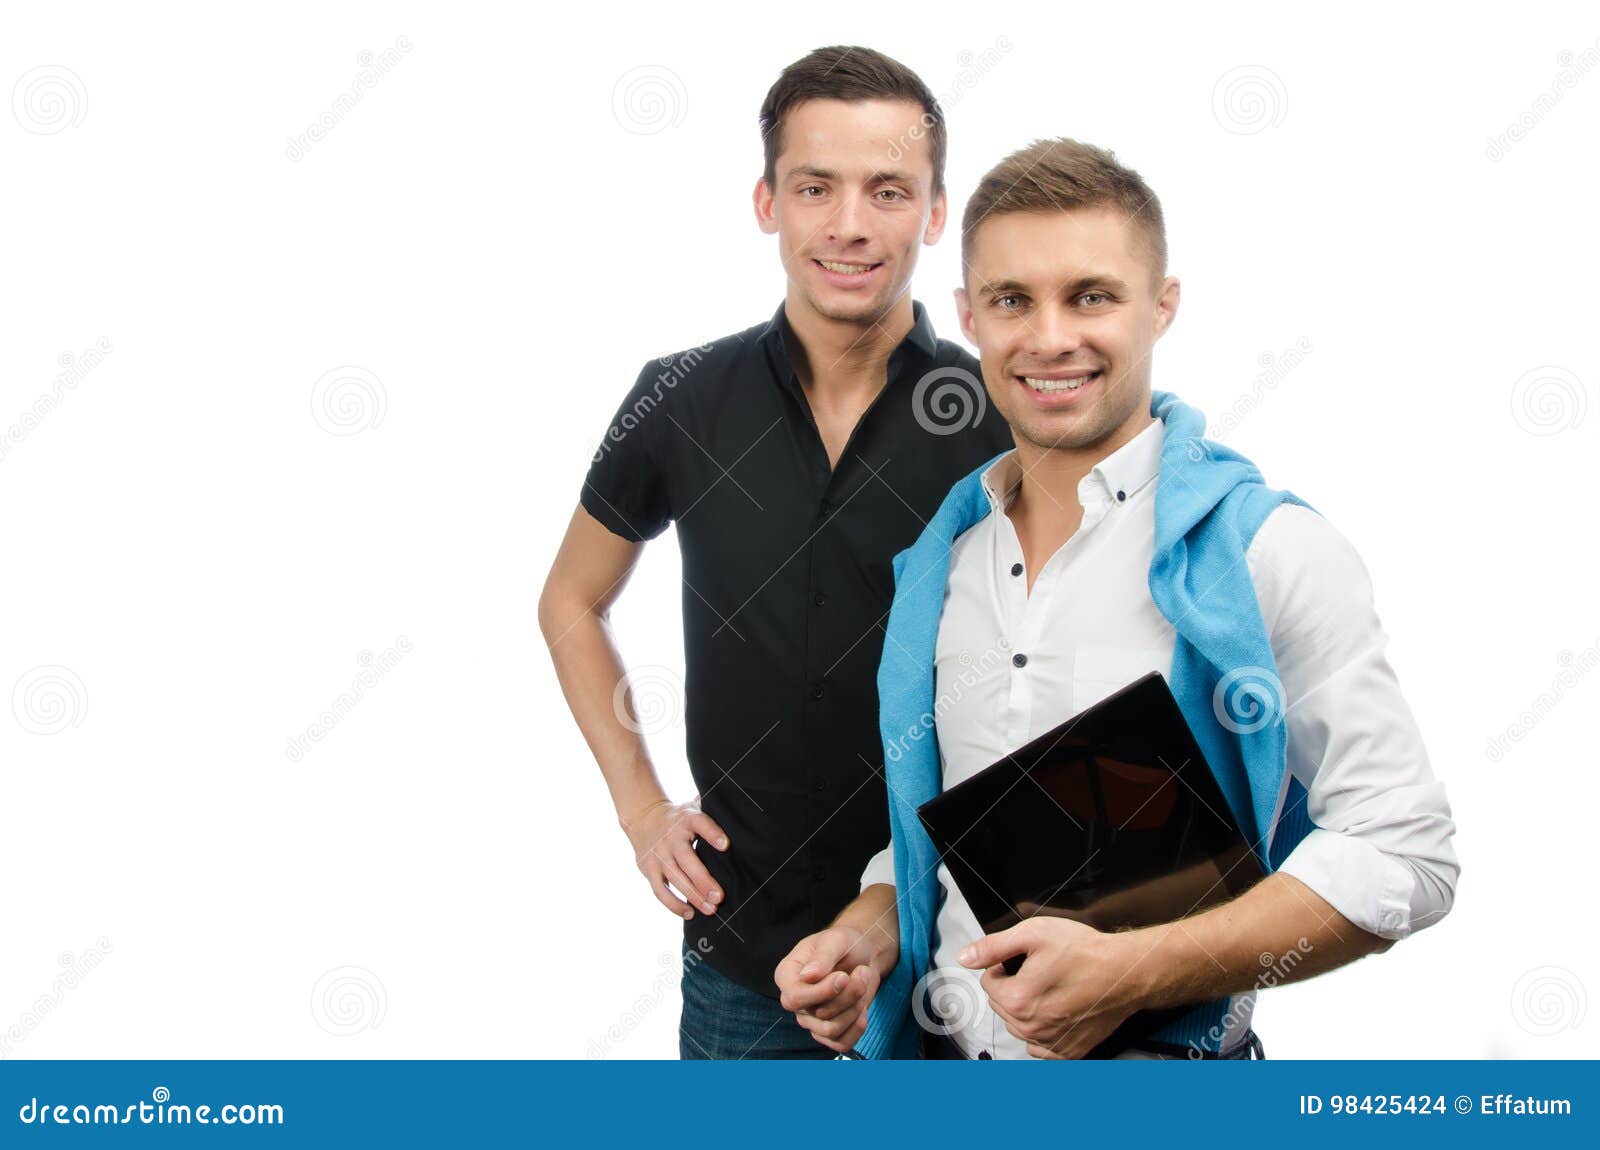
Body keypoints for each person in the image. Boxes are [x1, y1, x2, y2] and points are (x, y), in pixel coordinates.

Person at [774, 138, 1460, 1059]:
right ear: (970, 315)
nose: (1051, 337)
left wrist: (1138, 971)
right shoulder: (943, 568)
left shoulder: (1265, 552)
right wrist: (867, 931)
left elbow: (1404, 856)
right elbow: (952, 833)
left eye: (1091, 296)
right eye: (1014, 300)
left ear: (1162, 307)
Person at [538, 46, 1013, 1059]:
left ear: (934, 215)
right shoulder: (679, 399)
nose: (849, 224)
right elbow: (570, 601)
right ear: (767, 202)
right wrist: (640, 809)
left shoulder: (995, 421)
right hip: (742, 965)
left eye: (887, 191)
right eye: (815, 187)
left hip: (960, 960)